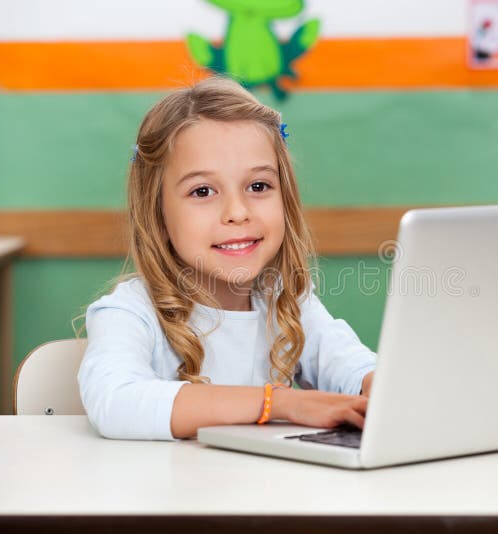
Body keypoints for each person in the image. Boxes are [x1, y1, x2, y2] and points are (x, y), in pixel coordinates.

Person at [76, 75, 376, 441]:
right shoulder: (129, 312)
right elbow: (115, 401)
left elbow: (354, 367)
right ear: (159, 215)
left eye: (258, 186)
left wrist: (380, 387)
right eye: (203, 191)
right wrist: (275, 403)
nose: (237, 212)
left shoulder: (287, 302)